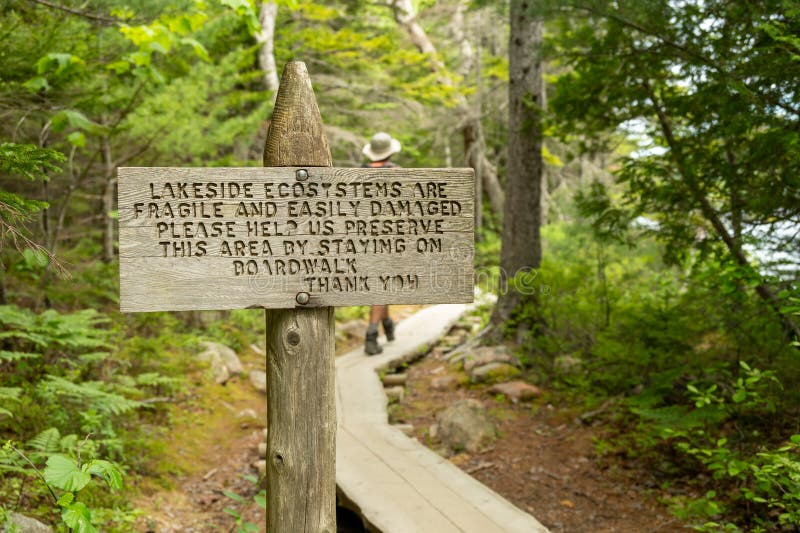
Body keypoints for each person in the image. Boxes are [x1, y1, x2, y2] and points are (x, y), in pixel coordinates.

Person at [362, 132, 401, 355]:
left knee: (380, 284)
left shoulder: (358, 172)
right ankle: (371, 335)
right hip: (388, 238)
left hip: (360, 236)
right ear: (391, 151)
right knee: (381, 286)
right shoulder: (396, 173)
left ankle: (388, 326)